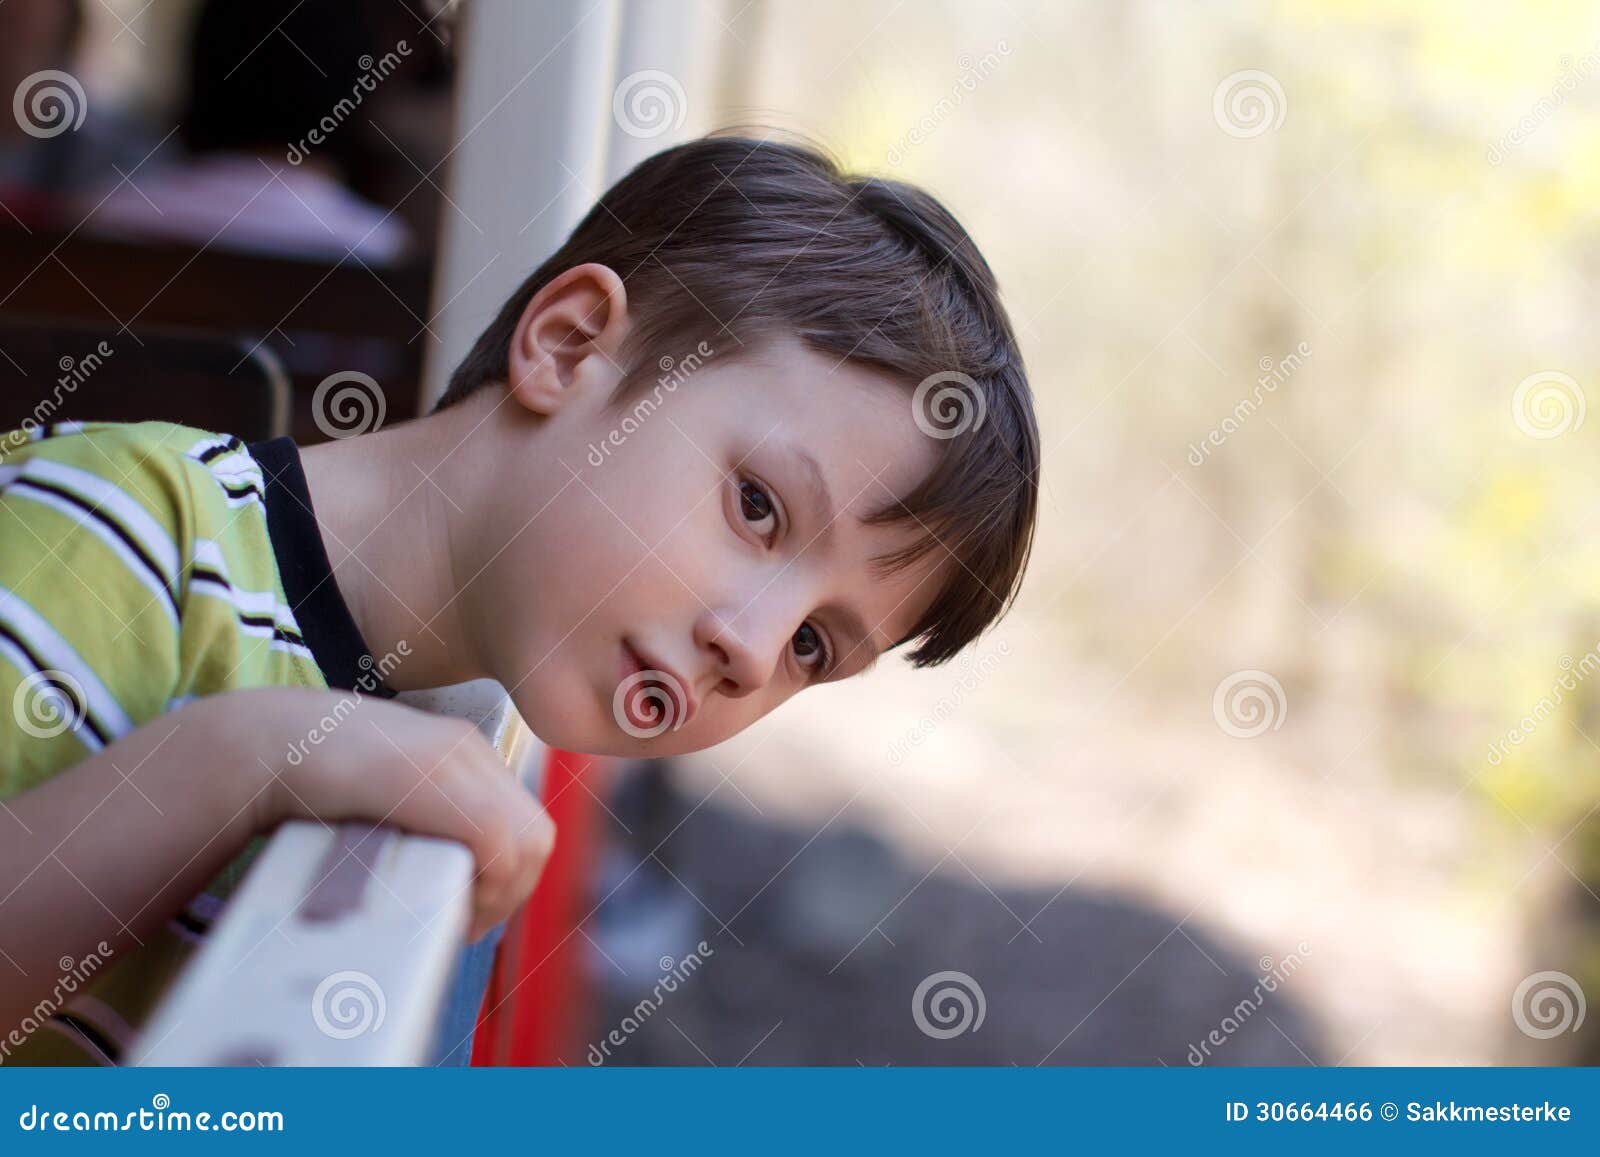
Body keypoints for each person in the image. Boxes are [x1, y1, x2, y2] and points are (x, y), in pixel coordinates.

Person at [0, 135, 1039, 1064]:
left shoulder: (426, 700)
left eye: (816, 643)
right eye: (758, 506)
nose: (752, 649)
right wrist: (248, 759)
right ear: (571, 344)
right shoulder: (117, 543)